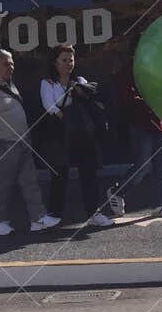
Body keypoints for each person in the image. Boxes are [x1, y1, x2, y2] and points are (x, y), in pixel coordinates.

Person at [0, 49, 60, 238]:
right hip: (3, 146)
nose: (11, 66)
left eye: (11, 63)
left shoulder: (8, 85)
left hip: (22, 143)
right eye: (5, 63)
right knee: (3, 187)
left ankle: (38, 218)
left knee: (30, 183)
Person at [39, 45, 114, 229]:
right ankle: (55, 214)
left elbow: (91, 99)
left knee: (89, 174)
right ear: (54, 62)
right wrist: (63, 115)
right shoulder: (48, 83)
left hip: (82, 133)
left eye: (71, 60)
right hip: (60, 133)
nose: (68, 64)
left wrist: (79, 93)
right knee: (59, 175)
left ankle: (94, 213)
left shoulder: (80, 80)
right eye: (64, 60)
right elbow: (49, 105)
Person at [116, 57, 162, 217]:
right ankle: (117, 191)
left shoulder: (157, 67)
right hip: (140, 123)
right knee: (144, 165)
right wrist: (152, 101)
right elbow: (128, 98)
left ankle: (160, 204)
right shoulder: (127, 70)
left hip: (158, 122)